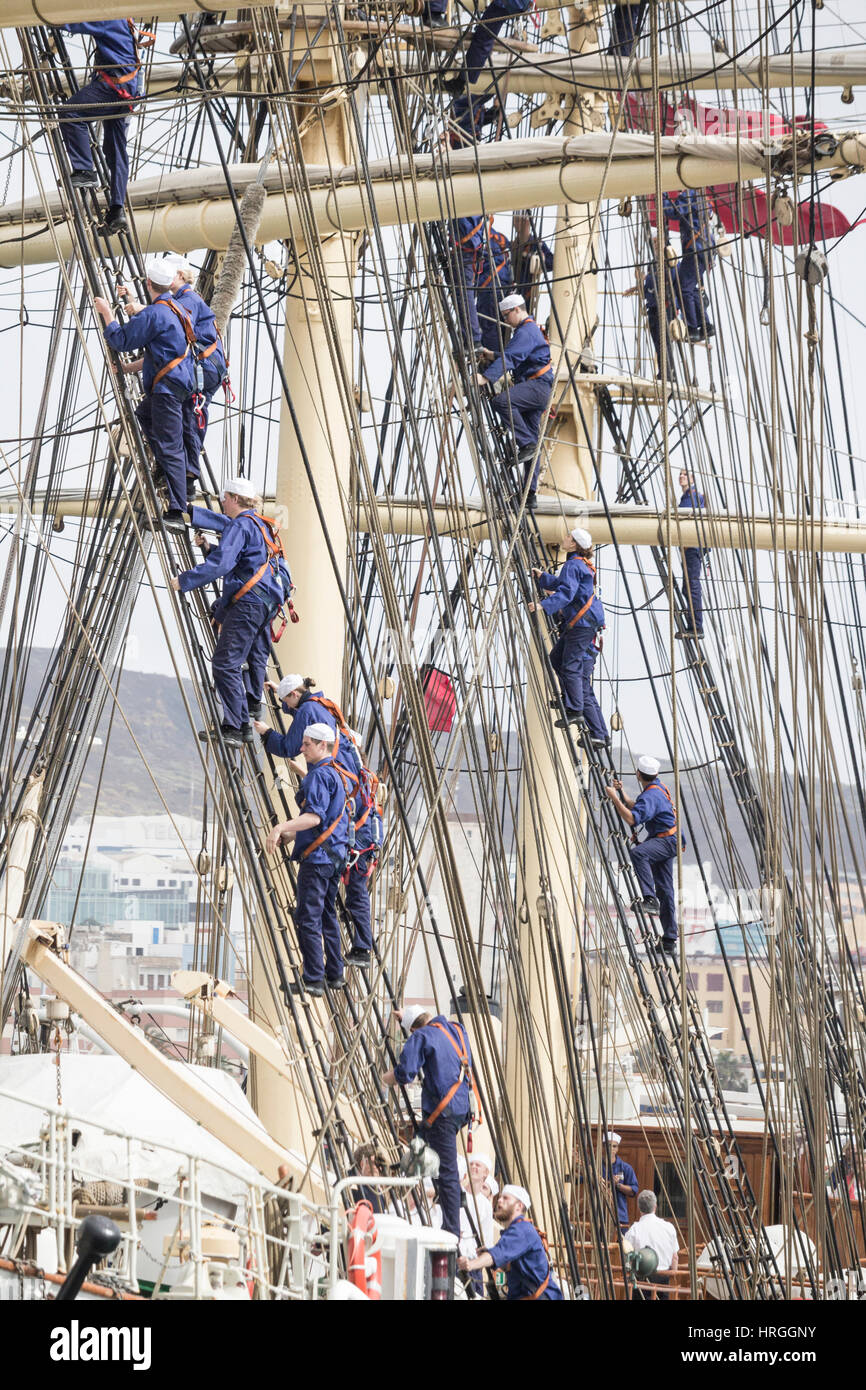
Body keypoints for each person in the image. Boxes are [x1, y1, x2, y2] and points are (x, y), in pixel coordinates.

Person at [253, 676, 382, 967]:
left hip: (335, 849)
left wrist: (266, 734)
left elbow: (289, 746)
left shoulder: (327, 772)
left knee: (324, 909)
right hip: (341, 845)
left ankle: (350, 955)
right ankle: (337, 967)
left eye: (309, 744)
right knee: (329, 909)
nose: (304, 747)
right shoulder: (343, 768)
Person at [171, 477, 290, 746]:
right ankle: (250, 707)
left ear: (235, 498)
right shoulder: (261, 526)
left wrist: (186, 580)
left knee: (225, 663)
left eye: (225, 497)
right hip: (266, 604)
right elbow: (245, 560)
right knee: (252, 655)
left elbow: (224, 563)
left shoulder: (241, 525)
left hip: (247, 604)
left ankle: (235, 726)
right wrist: (206, 544)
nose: (222, 501)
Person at [94, 257, 197, 529]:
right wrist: (128, 368)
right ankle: (167, 462)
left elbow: (121, 339)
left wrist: (106, 312)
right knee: (144, 414)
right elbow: (158, 345)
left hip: (166, 391)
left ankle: (177, 511)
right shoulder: (175, 308)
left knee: (171, 446)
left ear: (149, 283)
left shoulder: (157, 313)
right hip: (178, 384)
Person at [265, 723, 351, 997]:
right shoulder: (337, 775)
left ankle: (313, 977)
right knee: (327, 915)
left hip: (316, 859)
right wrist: (293, 835)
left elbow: (314, 817)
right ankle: (335, 974)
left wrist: (281, 828)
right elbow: (327, 819)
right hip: (335, 856)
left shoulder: (317, 776)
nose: (301, 749)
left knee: (308, 917)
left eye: (307, 744)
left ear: (322, 745)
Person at [381, 1005, 477, 1239]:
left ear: (413, 1029)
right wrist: (409, 1018)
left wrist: (385, 1078)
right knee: (424, 1142)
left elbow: (405, 1074)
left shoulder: (421, 1036)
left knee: (446, 1171)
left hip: (442, 1113)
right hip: (462, 1108)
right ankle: (451, 1195)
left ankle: (451, 1230)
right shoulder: (456, 1029)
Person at [56, 19, 147, 236]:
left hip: (113, 86)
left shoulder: (109, 18)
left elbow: (75, 23)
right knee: (115, 149)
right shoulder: (124, 21)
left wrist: (44, 17)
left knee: (70, 113)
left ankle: (85, 170)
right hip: (128, 91)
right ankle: (117, 210)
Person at [530, 526, 605, 741]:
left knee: (570, 665)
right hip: (584, 621)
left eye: (568, 537)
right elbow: (565, 584)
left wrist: (543, 605)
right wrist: (543, 577)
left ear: (574, 544)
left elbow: (566, 592)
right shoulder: (579, 564)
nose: (564, 538)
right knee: (556, 658)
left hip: (581, 623)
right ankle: (570, 700)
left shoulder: (573, 564)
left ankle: (574, 709)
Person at [605, 755, 684, 956]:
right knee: (666, 890)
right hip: (668, 839)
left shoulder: (652, 795)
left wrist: (613, 798)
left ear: (639, 774)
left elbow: (632, 819)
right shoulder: (656, 789)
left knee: (639, 854)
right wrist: (621, 793)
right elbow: (637, 807)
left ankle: (649, 899)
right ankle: (669, 939)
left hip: (666, 841)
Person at [478, 292, 553, 501]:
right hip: (536, 387)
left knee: (502, 402)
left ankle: (525, 442)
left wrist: (485, 377)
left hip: (537, 386)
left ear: (517, 310)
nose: (505, 320)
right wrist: (491, 355)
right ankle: (530, 494)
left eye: (506, 315)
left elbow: (512, 357)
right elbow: (517, 354)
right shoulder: (526, 331)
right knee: (534, 444)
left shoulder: (526, 332)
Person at [165, 254, 230, 485]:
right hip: (207, 367)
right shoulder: (182, 299)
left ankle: (189, 470)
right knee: (187, 412)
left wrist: (141, 308)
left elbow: (171, 320)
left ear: (181, 275)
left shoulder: (188, 298)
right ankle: (186, 473)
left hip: (205, 367)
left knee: (183, 409)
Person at [457, 1184, 563, 1299]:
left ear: (519, 1206)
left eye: (506, 1198)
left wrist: (471, 1264)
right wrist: (488, 1254)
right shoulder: (513, 1232)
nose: (499, 1201)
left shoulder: (522, 1230)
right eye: (500, 1197)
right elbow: (509, 1262)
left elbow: (496, 1255)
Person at [443, 0, 534, 92]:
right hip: (513, 4)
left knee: (484, 37)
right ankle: (461, 81)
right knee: (484, 36)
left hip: (509, 3)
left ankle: (461, 82)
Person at [664, 189, 716, 343]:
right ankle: (706, 325)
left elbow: (673, 211)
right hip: (703, 250)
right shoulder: (702, 197)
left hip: (695, 249)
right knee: (692, 289)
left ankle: (692, 328)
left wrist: (661, 196)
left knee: (684, 288)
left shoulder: (690, 194)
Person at [623, 1189, 679, 1299]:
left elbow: (627, 1259)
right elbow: (675, 1257)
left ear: (639, 1208)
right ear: (655, 1206)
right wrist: (673, 1275)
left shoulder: (634, 1230)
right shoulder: (669, 1227)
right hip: (664, 1279)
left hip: (641, 1281)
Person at [476, 219, 513, 355]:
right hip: (502, 288)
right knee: (501, 328)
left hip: (489, 291)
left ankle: (491, 363)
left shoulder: (478, 238)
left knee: (489, 326)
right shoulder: (497, 237)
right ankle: (497, 361)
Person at [677, 467, 706, 638]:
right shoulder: (686, 497)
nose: (681, 476)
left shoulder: (694, 497)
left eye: (685, 474)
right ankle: (693, 624)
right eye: (680, 474)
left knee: (691, 585)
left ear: (693, 479)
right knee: (686, 588)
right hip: (688, 549)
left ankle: (696, 627)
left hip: (692, 548)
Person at [600, 1131, 638, 1231]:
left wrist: (618, 1185)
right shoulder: (595, 1167)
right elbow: (580, 1178)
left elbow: (634, 1190)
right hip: (598, 1216)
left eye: (614, 1146)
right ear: (603, 1147)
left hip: (619, 1216)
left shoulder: (626, 1168)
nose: (611, 1149)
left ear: (617, 1149)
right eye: (608, 1145)